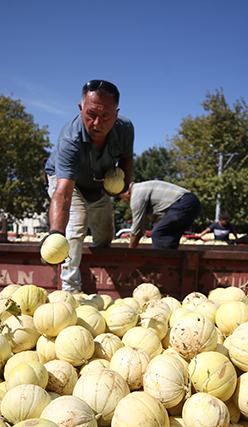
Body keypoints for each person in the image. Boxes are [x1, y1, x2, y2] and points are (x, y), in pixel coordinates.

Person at [42, 80, 134, 292]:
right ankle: (70, 289)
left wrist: (123, 185)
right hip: (65, 181)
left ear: (116, 114)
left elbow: (127, 158)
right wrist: (55, 233)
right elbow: (63, 194)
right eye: (91, 114)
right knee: (78, 220)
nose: (97, 123)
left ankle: (98, 273)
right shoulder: (69, 140)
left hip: (97, 184)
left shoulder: (126, 129)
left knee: (105, 234)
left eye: (106, 116)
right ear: (80, 108)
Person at [117, 181, 201, 249]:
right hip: (192, 203)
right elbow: (143, 226)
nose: (124, 201)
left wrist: (131, 251)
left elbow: (137, 227)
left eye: (122, 198)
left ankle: (161, 266)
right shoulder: (141, 189)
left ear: (127, 192)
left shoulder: (136, 195)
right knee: (169, 237)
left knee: (158, 234)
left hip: (184, 202)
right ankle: (171, 265)